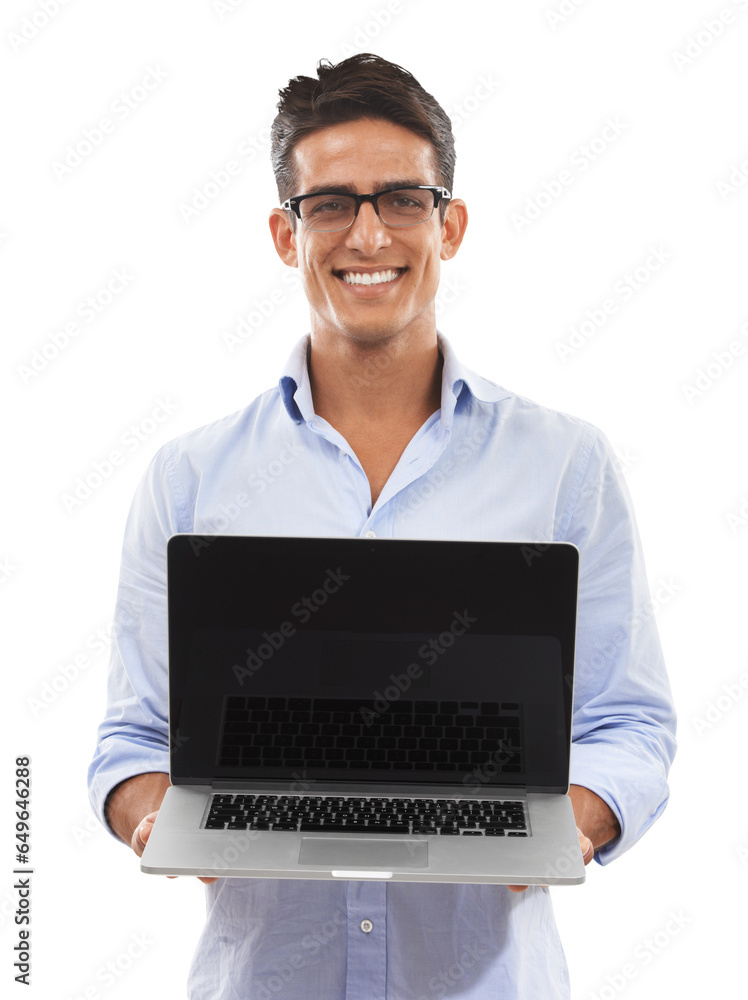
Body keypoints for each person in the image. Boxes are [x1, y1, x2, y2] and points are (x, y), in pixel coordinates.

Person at [88, 53, 677, 999]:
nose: (369, 232)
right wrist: (157, 816)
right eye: (331, 204)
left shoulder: (566, 463)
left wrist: (571, 819)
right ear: (287, 235)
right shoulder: (190, 478)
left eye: (403, 198)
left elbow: (629, 720)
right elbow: (131, 738)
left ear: (452, 224)